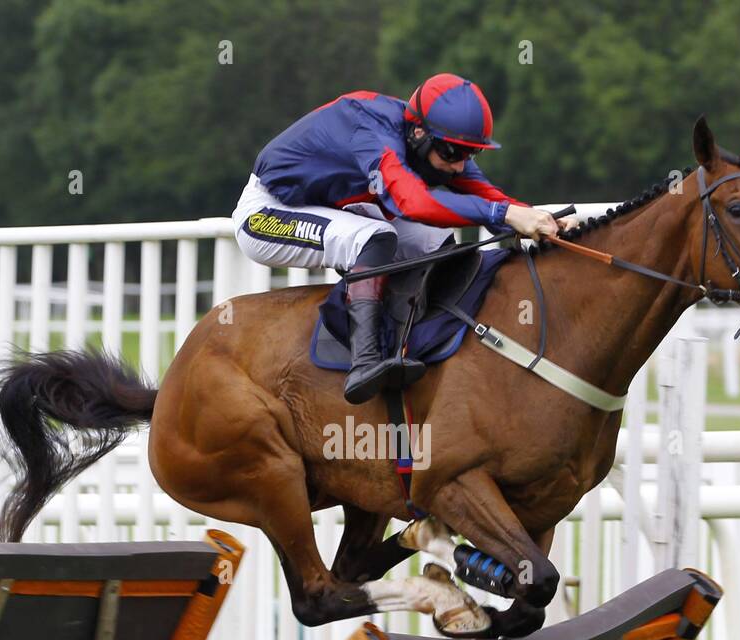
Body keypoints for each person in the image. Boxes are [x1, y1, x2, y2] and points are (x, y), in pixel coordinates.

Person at [232, 72, 579, 404]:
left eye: (470, 154)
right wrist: (504, 215)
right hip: (268, 212)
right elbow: (412, 202)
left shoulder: (436, 139)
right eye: (451, 153)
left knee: (436, 244)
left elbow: (492, 199)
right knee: (377, 237)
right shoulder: (373, 132)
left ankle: (417, 344)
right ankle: (365, 362)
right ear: (417, 134)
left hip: (339, 205)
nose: (460, 165)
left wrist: (541, 220)